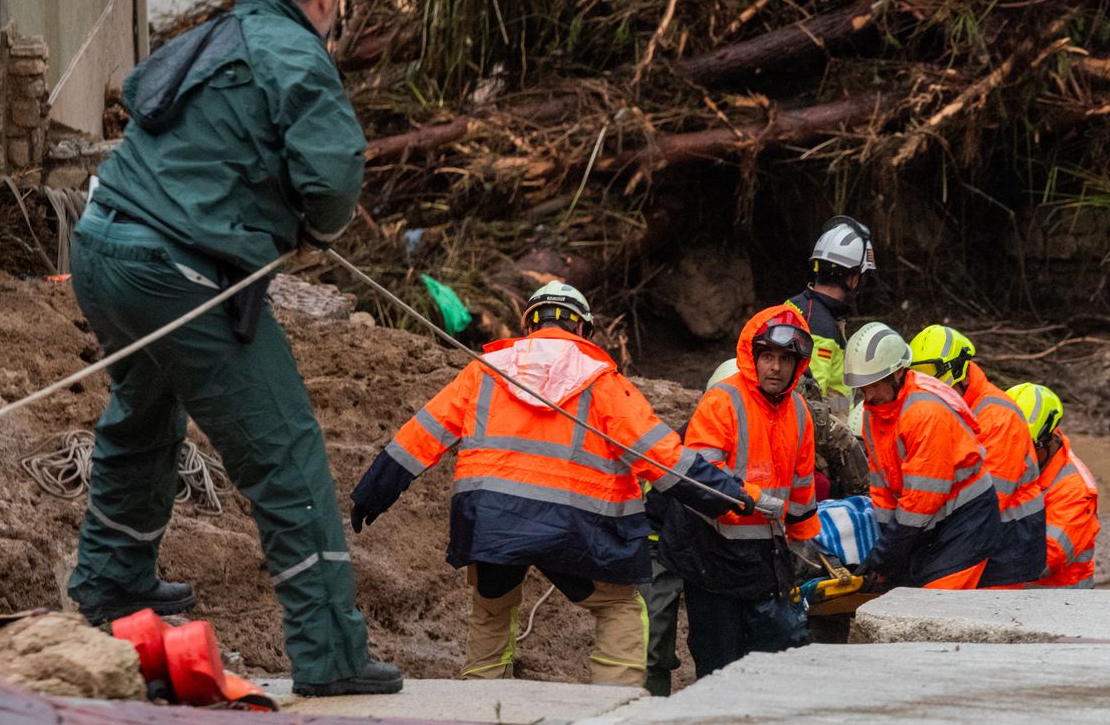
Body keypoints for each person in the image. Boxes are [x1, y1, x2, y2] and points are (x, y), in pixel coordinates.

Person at [66, 0, 398, 697]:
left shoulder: (215, 34)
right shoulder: (297, 55)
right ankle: (331, 656)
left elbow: (148, 100)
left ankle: (114, 584)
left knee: (145, 411)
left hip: (98, 246)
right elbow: (336, 171)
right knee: (285, 452)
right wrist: (315, 227)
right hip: (175, 271)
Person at [348, 282, 752, 687]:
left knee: (492, 611)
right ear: (584, 330)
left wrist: (372, 493)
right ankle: (616, 709)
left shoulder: (483, 372)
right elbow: (661, 457)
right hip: (581, 528)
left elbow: (420, 435)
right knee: (619, 609)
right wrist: (726, 494)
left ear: (529, 323)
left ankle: (483, 705)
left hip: (493, 521)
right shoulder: (603, 382)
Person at [660, 307, 820, 678]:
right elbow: (700, 477)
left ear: (798, 364)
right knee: (719, 665)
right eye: (767, 357)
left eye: (784, 359)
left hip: (766, 559)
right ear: (753, 356)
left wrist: (803, 540)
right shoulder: (721, 402)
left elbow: (801, 486)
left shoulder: (799, 411)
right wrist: (750, 496)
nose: (775, 367)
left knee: (773, 664)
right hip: (713, 557)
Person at [845, 322, 1001, 590]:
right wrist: (883, 547)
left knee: (934, 603)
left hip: (966, 520)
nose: (867, 394)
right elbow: (882, 486)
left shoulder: (925, 412)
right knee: (907, 593)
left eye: (874, 384)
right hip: (930, 521)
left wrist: (884, 556)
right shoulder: (875, 413)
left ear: (898, 373)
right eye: (862, 387)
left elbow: (921, 501)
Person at [908, 326, 1046, 586]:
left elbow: (990, 501)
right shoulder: (938, 409)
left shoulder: (998, 417)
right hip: (968, 534)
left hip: (1005, 548)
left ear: (959, 372)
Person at [643, 358, 738, 697]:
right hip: (660, 543)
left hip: (718, 548)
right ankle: (651, 708)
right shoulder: (678, 444)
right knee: (653, 641)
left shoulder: (757, 436)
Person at [784, 216, 875, 499]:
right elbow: (811, 402)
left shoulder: (800, 308)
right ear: (853, 278)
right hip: (815, 449)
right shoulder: (820, 325)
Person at [1006, 383, 1099, 588]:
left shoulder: (1075, 489)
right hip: (1015, 600)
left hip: (1062, 607)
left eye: (1026, 448)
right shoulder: (1015, 462)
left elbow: (1046, 558)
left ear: (1049, 440)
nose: (1016, 455)